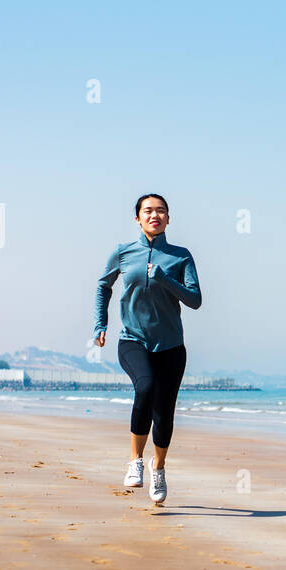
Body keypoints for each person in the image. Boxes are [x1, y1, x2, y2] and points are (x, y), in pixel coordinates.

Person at [92, 194, 202, 504]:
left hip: (170, 346)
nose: (155, 215)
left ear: (169, 218)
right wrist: (101, 324)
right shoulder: (123, 253)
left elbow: (195, 300)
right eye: (148, 211)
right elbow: (103, 286)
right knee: (146, 387)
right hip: (132, 340)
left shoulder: (180, 256)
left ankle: (160, 468)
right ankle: (135, 461)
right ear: (138, 219)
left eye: (161, 211)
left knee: (164, 412)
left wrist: (166, 279)